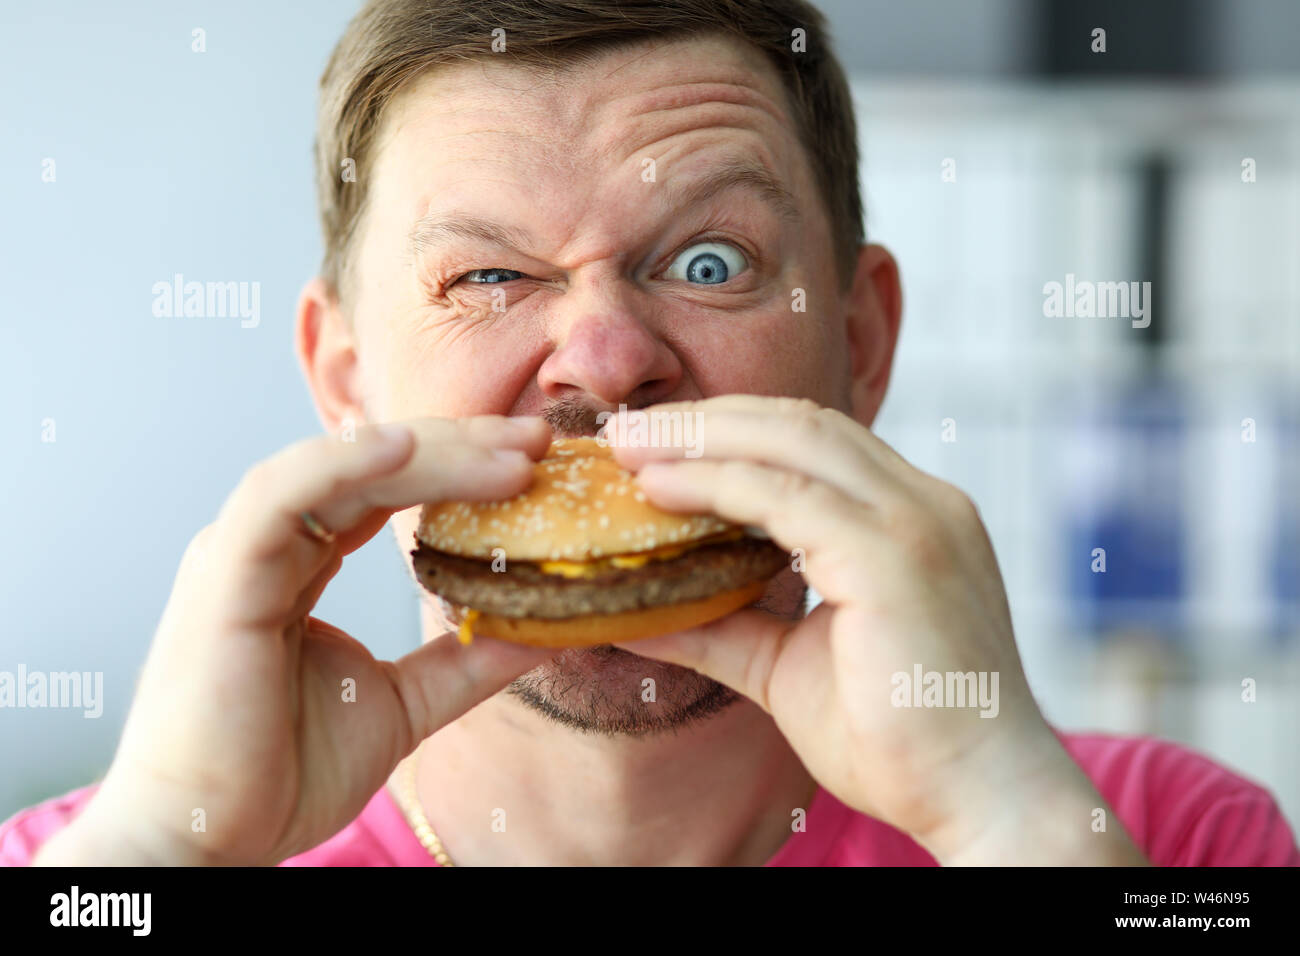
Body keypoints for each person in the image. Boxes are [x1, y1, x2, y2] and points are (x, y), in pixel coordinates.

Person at [5, 0, 1297, 867]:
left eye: (713, 259)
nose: (609, 361)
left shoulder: (1169, 840)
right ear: (346, 382)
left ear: (859, 347)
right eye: (490, 279)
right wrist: (167, 850)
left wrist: (1001, 806)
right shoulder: (81, 866)